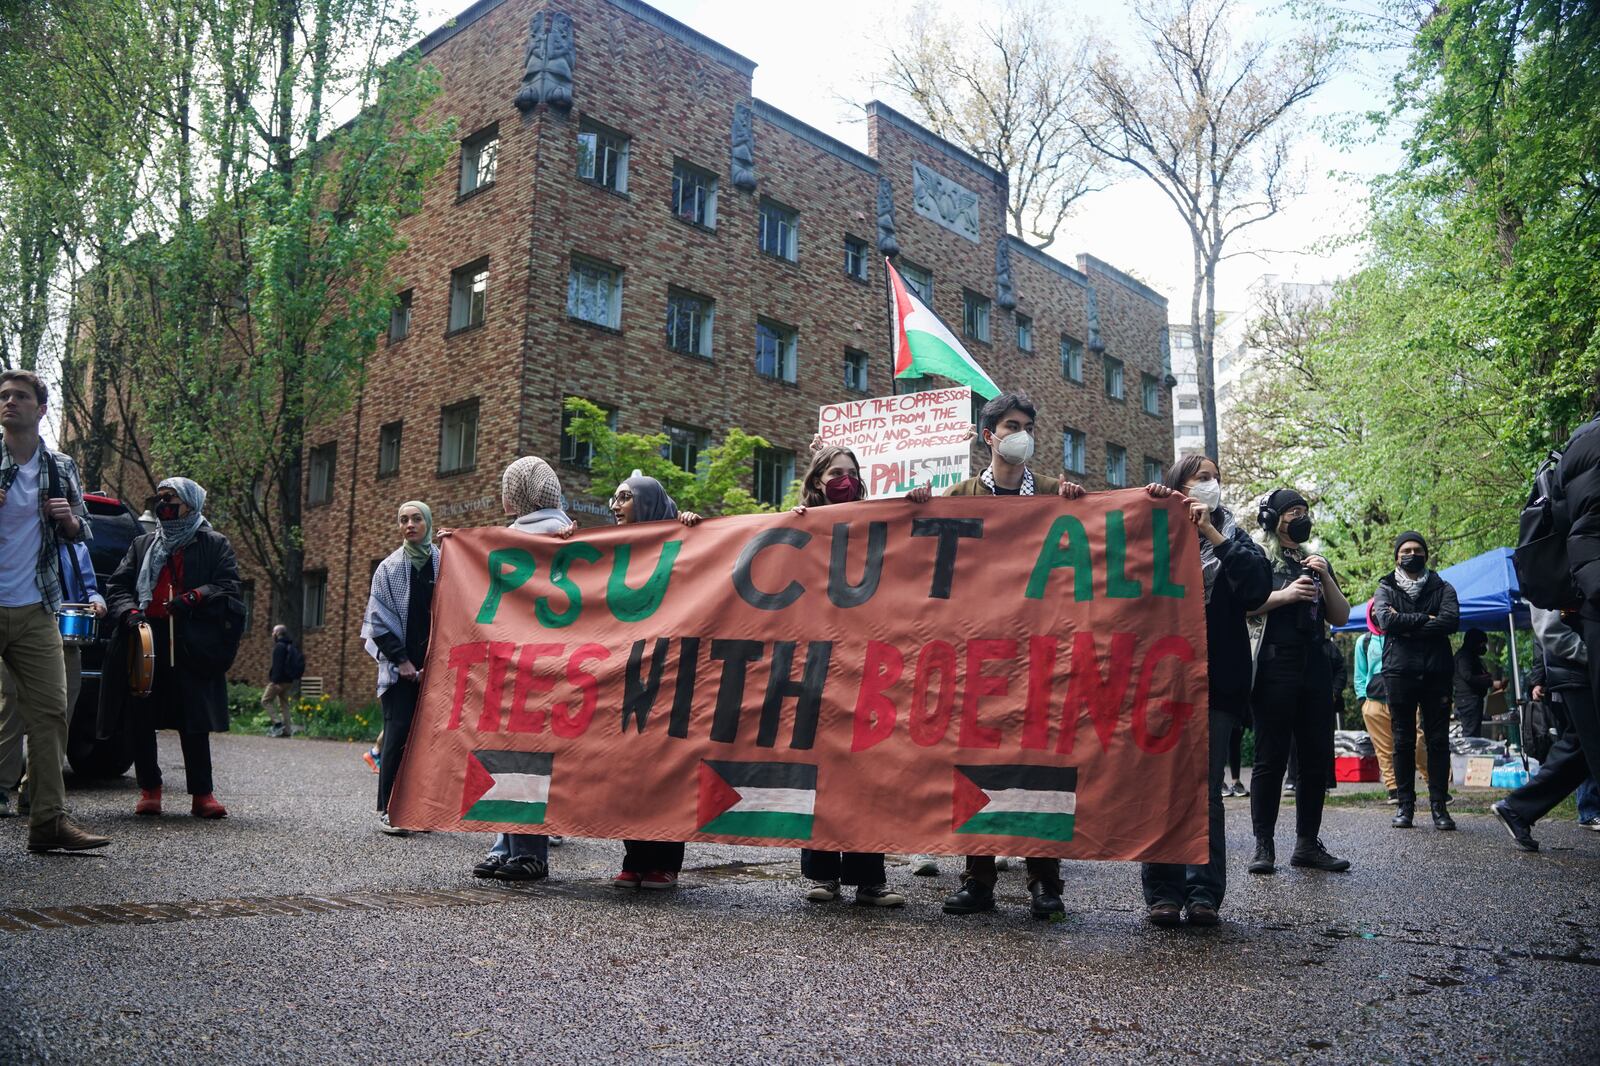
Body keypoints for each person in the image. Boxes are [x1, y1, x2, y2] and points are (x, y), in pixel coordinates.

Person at [941, 391, 1086, 920]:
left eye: (1027, 424)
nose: (1020, 432)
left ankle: (1046, 883)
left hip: (1037, 652)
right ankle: (977, 879)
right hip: (976, 651)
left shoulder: (1055, 494)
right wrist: (911, 509)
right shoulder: (956, 496)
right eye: (1011, 424)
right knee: (975, 760)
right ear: (989, 435)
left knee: (1038, 762)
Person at [791, 446, 930, 909]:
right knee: (824, 772)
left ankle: (870, 878)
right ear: (817, 479)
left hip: (867, 665)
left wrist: (917, 507)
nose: (845, 480)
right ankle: (824, 875)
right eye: (836, 473)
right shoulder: (799, 523)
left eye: (852, 474)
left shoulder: (877, 522)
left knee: (868, 774)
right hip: (818, 667)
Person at [1140, 457, 1271, 926]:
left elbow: (1256, 591)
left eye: (1214, 477)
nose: (1211, 484)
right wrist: (1145, 511)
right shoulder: (1153, 535)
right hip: (1162, 682)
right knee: (1163, 786)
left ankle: (1203, 893)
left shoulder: (1237, 539)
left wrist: (1214, 534)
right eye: (1200, 477)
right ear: (1178, 487)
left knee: (1206, 790)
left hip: (1218, 681)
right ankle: (1163, 890)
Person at [0, 369, 109, 852]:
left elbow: (83, 531)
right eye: (3, 396)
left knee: (50, 714)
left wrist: (66, 518)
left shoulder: (59, 466)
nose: (9, 403)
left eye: (20, 396)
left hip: (36, 607)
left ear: (41, 409)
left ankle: (47, 822)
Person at [103, 476, 243, 820]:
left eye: (171, 499)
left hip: (192, 643)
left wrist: (195, 597)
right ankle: (150, 789)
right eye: (159, 499)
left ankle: (202, 794)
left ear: (191, 505)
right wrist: (130, 612)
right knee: (141, 717)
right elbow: (118, 586)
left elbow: (229, 585)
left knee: (193, 718)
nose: (162, 506)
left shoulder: (213, 543)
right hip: (145, 639)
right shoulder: (142, 544)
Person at [470, 458, 581, 881]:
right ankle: (508, 845)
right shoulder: (564, 531)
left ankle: (527, 851)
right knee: (517, 752)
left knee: (516, 752)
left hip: (521, 661)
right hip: (550, 661)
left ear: (518, 492)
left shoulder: (521, 538)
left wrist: (465, 546)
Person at [602, 472, 701, 891]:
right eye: (614, 497)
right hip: (627, 673)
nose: (615, 505)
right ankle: (635, 857)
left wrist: (697, 532)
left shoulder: (682, 541)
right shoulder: (613, 549)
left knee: (667, 768)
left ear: (646, 502)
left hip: (673, 672)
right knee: (630, 769)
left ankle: (665, 862)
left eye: (624, 497)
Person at [1244, 488, 1351, 875]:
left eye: (1304, 510)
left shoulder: (1314, 559)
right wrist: (1286, 595)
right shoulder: (1257, 556)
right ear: (1272, 518)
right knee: (1270, 758)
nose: (1300, 517)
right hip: (1274, 665)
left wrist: (1324, 575)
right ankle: (1263, 846)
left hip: (1315, 664)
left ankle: (1307, 844)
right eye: (1292, 511)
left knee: (1314, 759)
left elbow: (1340, 616)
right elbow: (1244, 604)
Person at [0, 536, 106, 811]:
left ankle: (35, 794)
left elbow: (88, 588)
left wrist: (96, 601)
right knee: (8, 709)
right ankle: (0, 789)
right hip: (21, 634)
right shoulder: (24, 538)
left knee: (58, 715)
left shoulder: (76, 547)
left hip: (66, 642)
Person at [1370, 532, 1460, 831]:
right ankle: (1405, 806)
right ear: (1397, 556)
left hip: (1437, 673)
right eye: (1406, 550)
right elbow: (1386, 622)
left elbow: (1450, 621)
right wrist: (1427, 619)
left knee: (1438, 740)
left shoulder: (1443, 586)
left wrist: (1406, 623)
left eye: (1417, 549)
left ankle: (1439, 807)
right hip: (1399, 672)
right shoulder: (1385, 587)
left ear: (1426, 554)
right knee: (1403, 740)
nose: (1411, 554)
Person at [1492, 607, 1600, 849]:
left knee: (1579, 748)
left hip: (1577, 665)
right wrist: (1588, 653)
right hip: (1577, 667)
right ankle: (1517, 808)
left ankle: (1517, 809)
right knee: (1585, 746)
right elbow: (1547, 629)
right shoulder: (1553, 571)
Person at [363, 501, 437, 837]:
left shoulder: (444, 562)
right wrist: (403, 662)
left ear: (428, 522)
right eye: (403, 519)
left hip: (436, 669)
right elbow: (378, 622)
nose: (409, 524)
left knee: (430, 740)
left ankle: (422, 810)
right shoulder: (389, 568)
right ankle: (388, 809)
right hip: (399, 669)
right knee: (397, 736)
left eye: (416, 519)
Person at [1354, 627, 1428, 802]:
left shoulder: (1402, 635)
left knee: (1417, 741)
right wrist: (1363, 700)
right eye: (1373, 609)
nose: (1376, 613)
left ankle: (1432, 780)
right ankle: (1393, 787)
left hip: (1404, 697)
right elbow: (1360, 674)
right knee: (1384, 748)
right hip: (1375, 701)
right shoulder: (1363, 641)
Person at [261, 625, 304, 737]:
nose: (272, 634)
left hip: (279, 681)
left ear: (277, 633)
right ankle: (287, 731)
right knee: (284, 705)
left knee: (265, 700)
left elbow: (278, 666)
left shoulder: (279, 646)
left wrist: (275, 682)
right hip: (289, 681)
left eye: (273, 632)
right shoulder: (290, 645)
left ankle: (277, 723)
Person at [1452, 628, 1496, 738]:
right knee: (1471, 735)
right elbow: (1467, 676)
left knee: (1473, 734)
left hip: (1471, 700)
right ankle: (1469, 754)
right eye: (1482, 644)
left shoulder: (1469, 657)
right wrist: (1490, 682)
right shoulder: (1464, 657)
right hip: (1468, 701)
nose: (1484, 648)